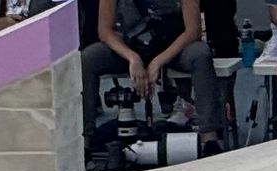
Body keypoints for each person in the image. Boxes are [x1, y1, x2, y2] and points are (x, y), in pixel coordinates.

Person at [80, 0, 225, 162]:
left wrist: (158, 61)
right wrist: (132, 58)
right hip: (130, 44)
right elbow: (105, 31)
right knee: (88, 58)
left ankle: (209, 135)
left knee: (200, 54)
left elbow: (193, 31)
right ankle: (84, 137)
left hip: (172, 43)